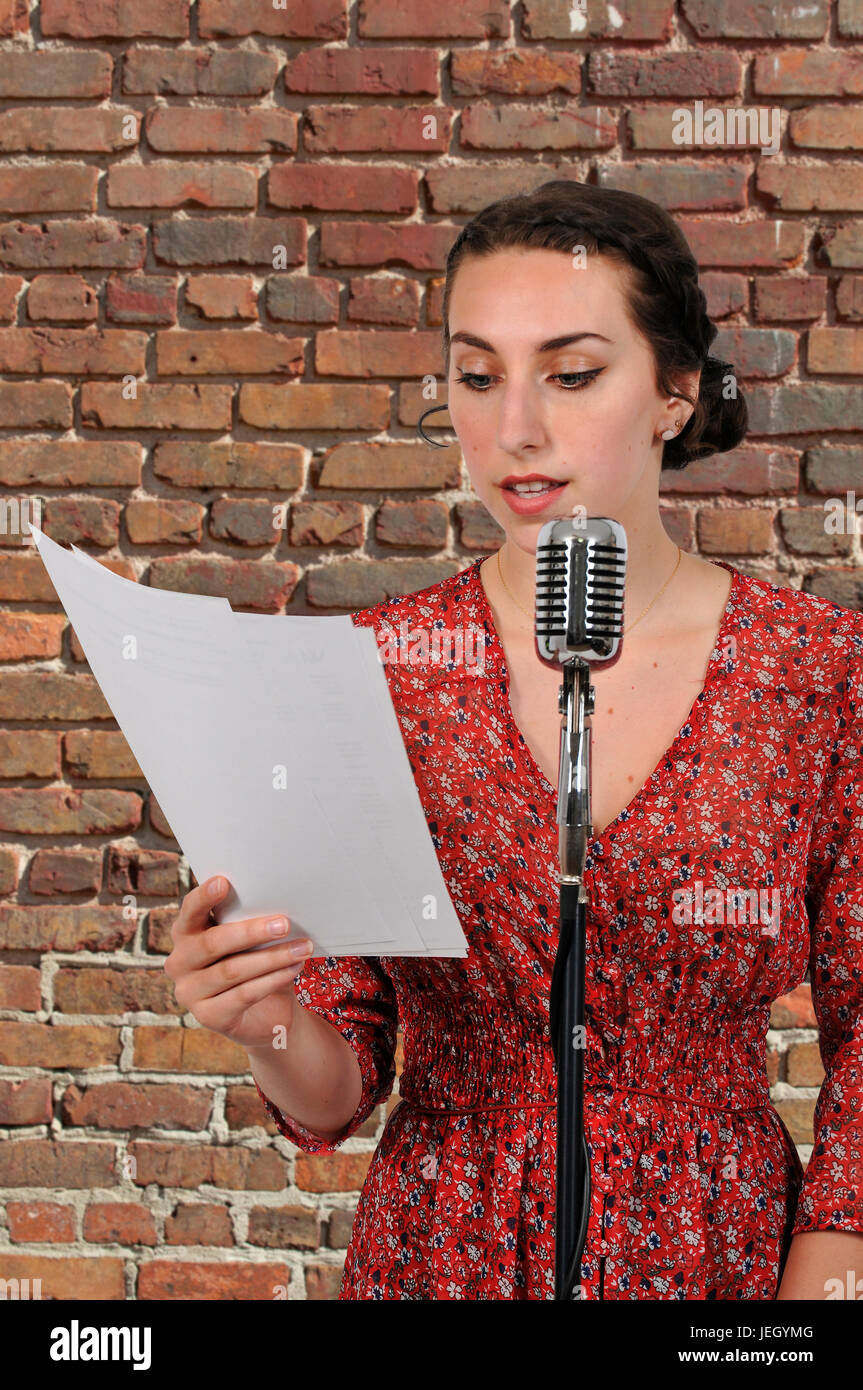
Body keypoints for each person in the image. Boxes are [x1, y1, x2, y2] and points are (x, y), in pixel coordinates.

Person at [165, 181, 863, 1300]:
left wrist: (823, 1285)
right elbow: (337, 1086)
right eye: (477, 377)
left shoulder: (815, 668)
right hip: (441, 1247)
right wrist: (264, 1020)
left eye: (571, 374)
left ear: (673, 392)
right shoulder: (375, 670)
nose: (515, 429)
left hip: (720, 1255)